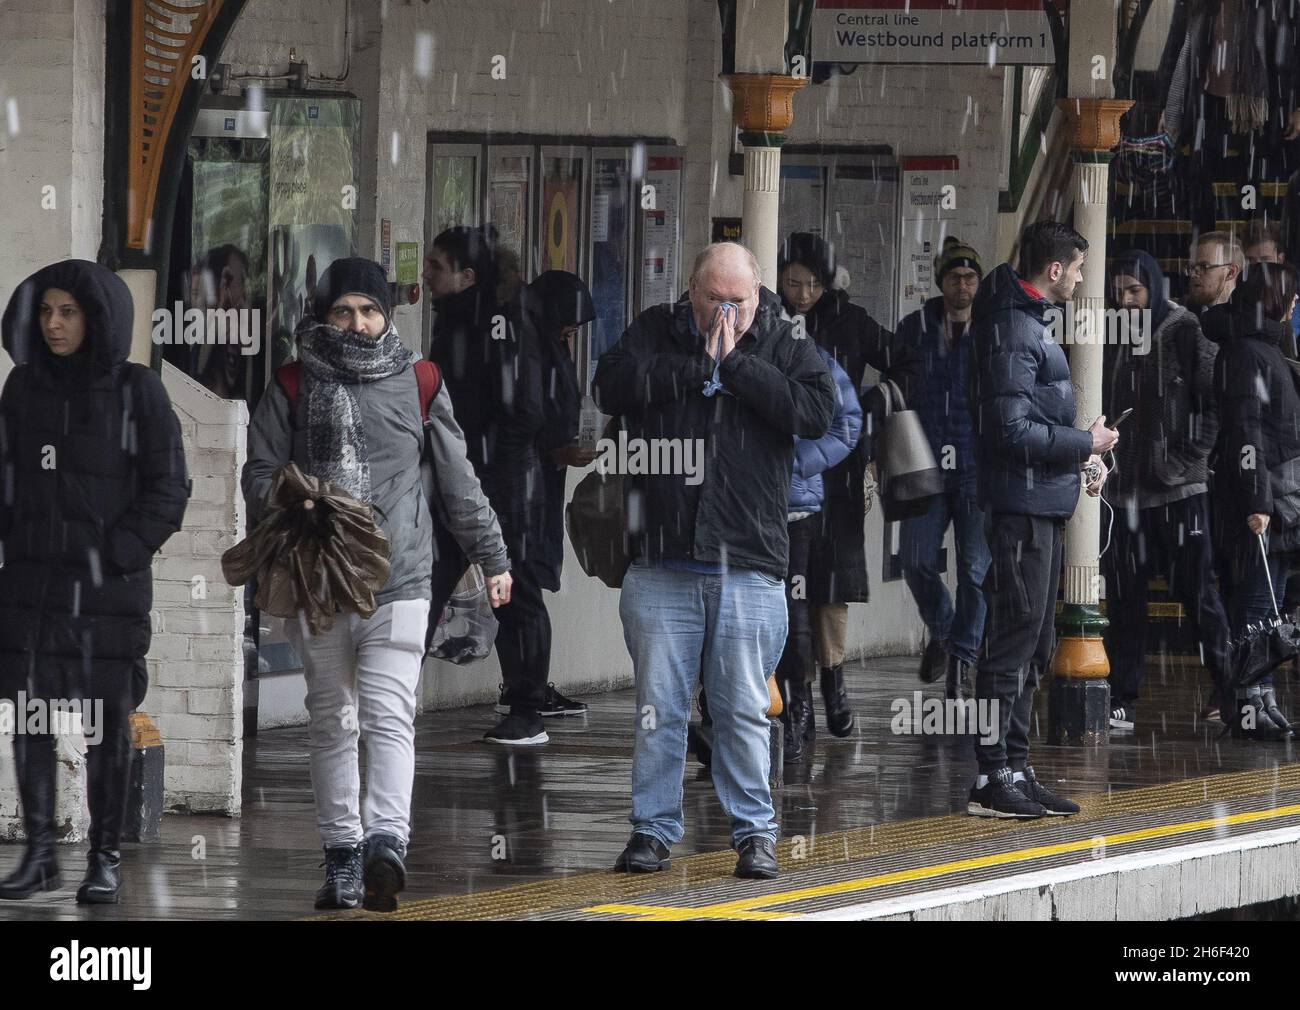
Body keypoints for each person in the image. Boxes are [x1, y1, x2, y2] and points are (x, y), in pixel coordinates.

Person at [243, 257, 511, 911]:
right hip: (319, 579)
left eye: (370, 310)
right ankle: (340, 857)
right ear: (323, 315)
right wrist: (300, 500)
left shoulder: (419, 379)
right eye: (344, 311)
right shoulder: (290, 382)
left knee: (390, 715)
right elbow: (256, 475)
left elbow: (457, 478)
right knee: (333, 719)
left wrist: (493, 555)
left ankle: (385, 842)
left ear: (387, 316)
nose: (358, 324)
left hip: (401, 579)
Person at [594, 241, 834, 880]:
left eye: (740, 301)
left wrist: (738, 370)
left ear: (759, 296)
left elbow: (818, 411)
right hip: (661, 561)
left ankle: (755, 835)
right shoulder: (657, 330)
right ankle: (651, 832)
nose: (727, 313)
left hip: (748, 562)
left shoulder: (782, 340)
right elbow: (611, 385)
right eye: (714, 300)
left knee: (742, 710)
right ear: (690, 291)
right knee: (659, 707)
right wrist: (696, 366)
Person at [0, 260, 188, 903]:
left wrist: (118, 555)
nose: (54, 324)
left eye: (68, 312)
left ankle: (104, 856)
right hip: (30, 587)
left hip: (106, 593)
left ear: (96, 317)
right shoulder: (22, 389)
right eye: (46, 311)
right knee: (29, 718)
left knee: (106, 724)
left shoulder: (138, 390)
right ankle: (41, 853)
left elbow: (168, 490)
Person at [968, 220, 1118, 819]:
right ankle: (991, 774)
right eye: (1077, 270)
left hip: (1038, 504)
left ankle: (1016, 764)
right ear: (1054, 270)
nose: (1081, 280)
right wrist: (1084, 442)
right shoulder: (1013, 327)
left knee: (1034, 642)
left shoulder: (1024, 322)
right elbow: (1008, 430)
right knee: (1013, 640)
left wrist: (1081, 455)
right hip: (1020, 511)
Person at [776, 232, 917, 733]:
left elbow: (905, 359)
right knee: (789, 585)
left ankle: (833, 682)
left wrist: (875, 399)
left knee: (830, 582)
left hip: (839, 470)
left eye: (812, 284)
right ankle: (800, 697)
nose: (802, 294)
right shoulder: (770, 322)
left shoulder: (851, 323)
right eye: (792, 283)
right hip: (785, 474)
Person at [424, 227, 551, 744]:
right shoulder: (453, 321)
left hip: (500, 482)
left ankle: (528, 707)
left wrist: (488, 473)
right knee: (425, 583)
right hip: (456, 478)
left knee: (514, 592)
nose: (426, 277)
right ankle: (389, 698)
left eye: (436, 267)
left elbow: (523, 408)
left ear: (467, 275)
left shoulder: (500, 323)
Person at [1102, 250, 1232, 731]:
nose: (1127, 301)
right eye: (1120, 293)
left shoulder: (1184, 330)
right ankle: (1121, 695)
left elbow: (1214, 400)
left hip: (1179, 490)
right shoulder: (1114, 334)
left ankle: (1229, 687)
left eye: (1135, 291)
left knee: (1197, 596)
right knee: (1125, 600)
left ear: (1153, 288)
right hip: (1126, 492)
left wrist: (1187, 458)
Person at [1205, 261, 1300, 739]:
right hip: (1265, 498)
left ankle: (1262, 697)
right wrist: (1256, 502)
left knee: (1270, 597)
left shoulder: (1259, 347)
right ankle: (1247, 703)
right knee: (1257, 600)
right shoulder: (1248, 352)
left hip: (1277, 496)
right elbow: (1247, 431)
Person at [893, 237, 989, 700]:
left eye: (970, 278)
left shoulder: (990, 330)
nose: (963, 286)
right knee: (915, 561)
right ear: (941, 282)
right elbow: (894, 388)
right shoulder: (915, 328)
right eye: (955, 277)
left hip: (975, 463)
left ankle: (963, 660)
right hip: (922, 463)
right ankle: (946, 632)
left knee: (975, 569)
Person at [515, 270, 599, 718]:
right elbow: (526, 421)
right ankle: (527, 690)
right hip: (528, 481)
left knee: (528, 584)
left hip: (544, 476)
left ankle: (527, 686)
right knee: (526, 587)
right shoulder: (531, 348)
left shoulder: (549, 345)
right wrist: (554, 451)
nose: (571, 333)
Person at [776, 347, 863, 763]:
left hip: (796, 510)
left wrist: (794, 464)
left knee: (796, 612)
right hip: (733, 512)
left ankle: (799, 709)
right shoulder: (718, 350)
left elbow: (848, 423)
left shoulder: (809, 356)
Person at [1159, 0, 1300, 234]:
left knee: (1251, 175)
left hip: (1260, 106)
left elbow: (1294, 49)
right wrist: (1168, 105)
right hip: (1207, 99)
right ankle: (1204, 240)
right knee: (1198, 170)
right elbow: (1178, 46)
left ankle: (1254, 241)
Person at [1242, 220, 1300, 357]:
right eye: (1251, 261)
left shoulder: (1295, 293)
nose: (1258, 268)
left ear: (1280, 259)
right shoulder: (1238, 295)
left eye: (1265, 260)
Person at [1184, 231, 1244, 314]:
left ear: (1231, 272)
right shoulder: (1180, 315)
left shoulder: (1249, 320)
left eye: (1204, 266)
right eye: (1191, 267)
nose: (1193, 274)